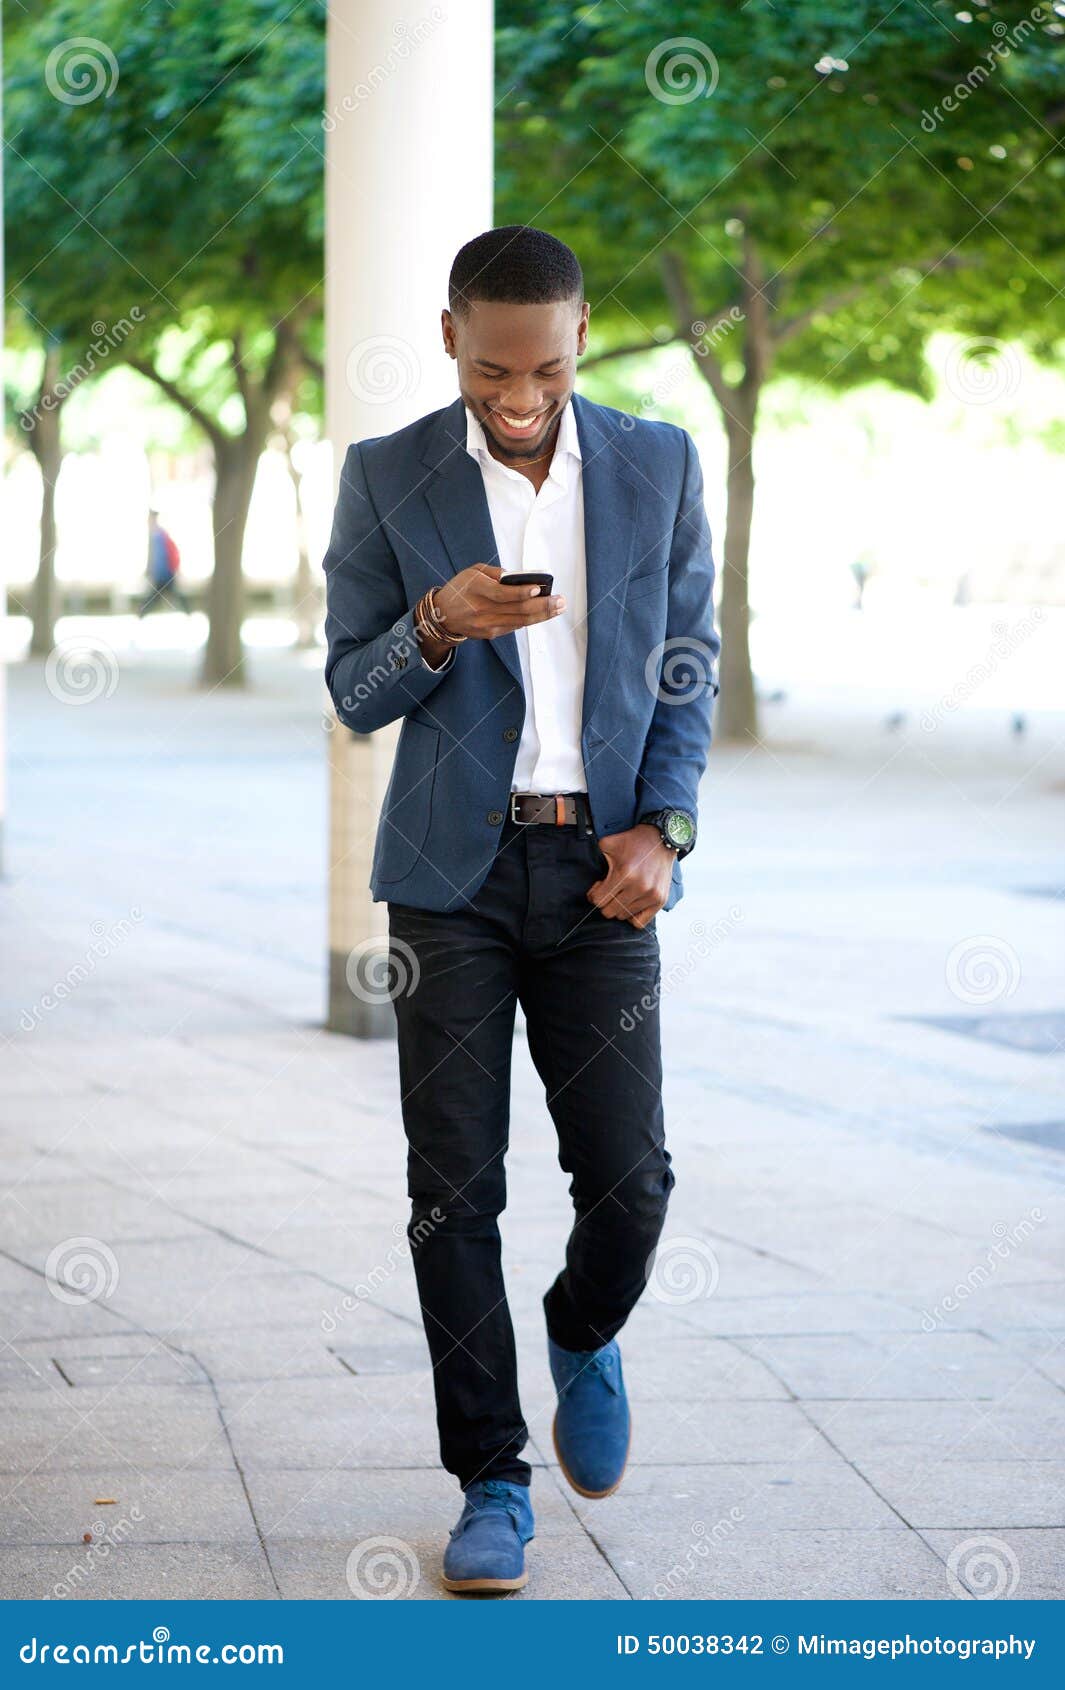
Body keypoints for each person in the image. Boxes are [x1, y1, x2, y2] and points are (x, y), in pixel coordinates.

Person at [322, 225, 720, 1594]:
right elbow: (352, 691)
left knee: (632, 1179)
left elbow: (687, 661)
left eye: (543, 366)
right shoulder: (389, 477)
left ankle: (581, 1322)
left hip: (604, 874)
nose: (518, 394)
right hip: (454, 881)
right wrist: (434, 621)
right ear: (450, 339)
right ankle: (491, 1476)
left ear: (582, 337)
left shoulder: (660, 462)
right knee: (454, 1191)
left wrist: (664, 827)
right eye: (493, 367)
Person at [138, 509, 190, 616]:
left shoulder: (161, 535)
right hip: (161, 575)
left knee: (156, 597)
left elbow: (172, 553)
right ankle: (140, 614)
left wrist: (175, 569)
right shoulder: (154, 536)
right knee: (156, 597)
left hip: (166, 574)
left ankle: (140, 614)